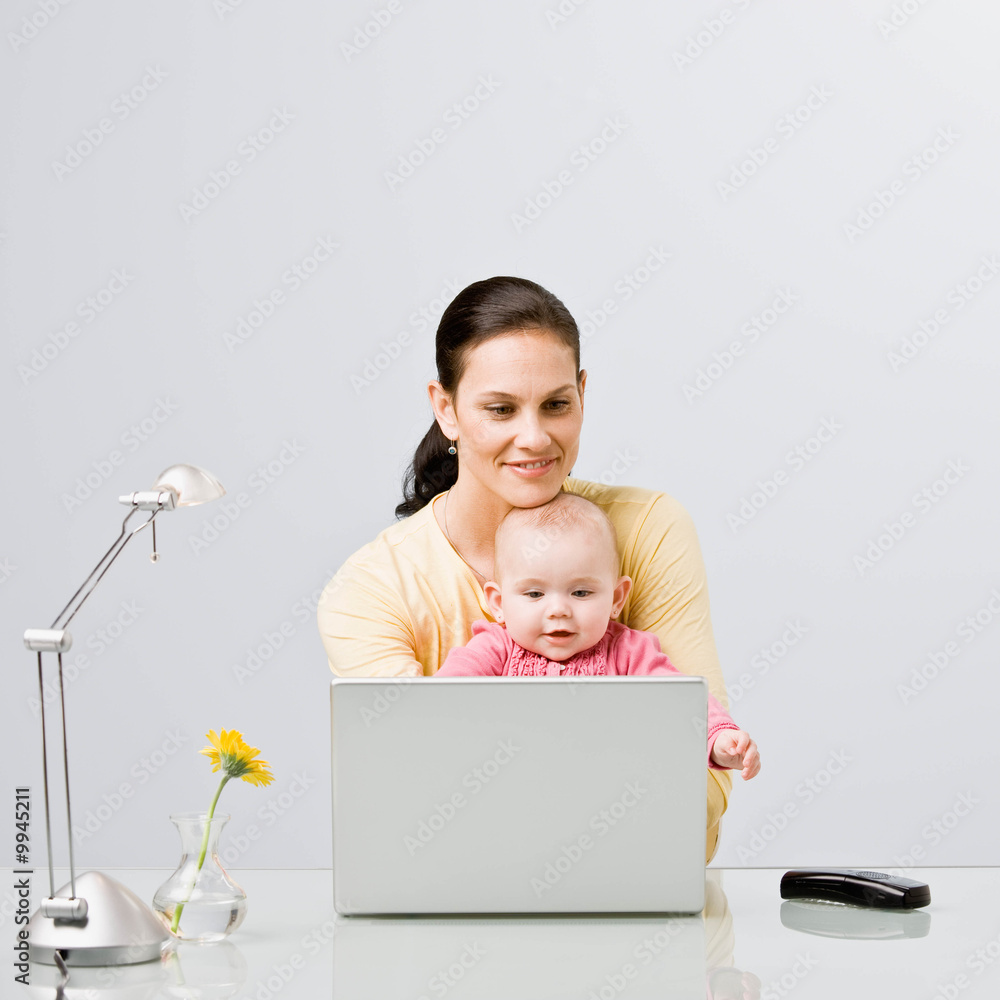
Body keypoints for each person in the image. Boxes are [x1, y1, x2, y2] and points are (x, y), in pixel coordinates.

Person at [318, 275, 739, 861]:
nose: (535, 438)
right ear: (446, 409)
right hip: (463, 890)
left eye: (556, 405)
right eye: (500, 409)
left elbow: (702, 787)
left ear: (583, 395)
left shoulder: (649, 528)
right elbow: (412, 791)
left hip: (633, 887)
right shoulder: (370, 592)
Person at [433, 492, 760, 780]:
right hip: (513, 790)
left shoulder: (629, 652)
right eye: (534, 594)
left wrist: (718, 738)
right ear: (498, 603)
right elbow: (441, 699)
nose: (558, 610)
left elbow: (679, 702)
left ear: (617, 599)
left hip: (605, 794)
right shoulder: (494, 649)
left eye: (580, 592)